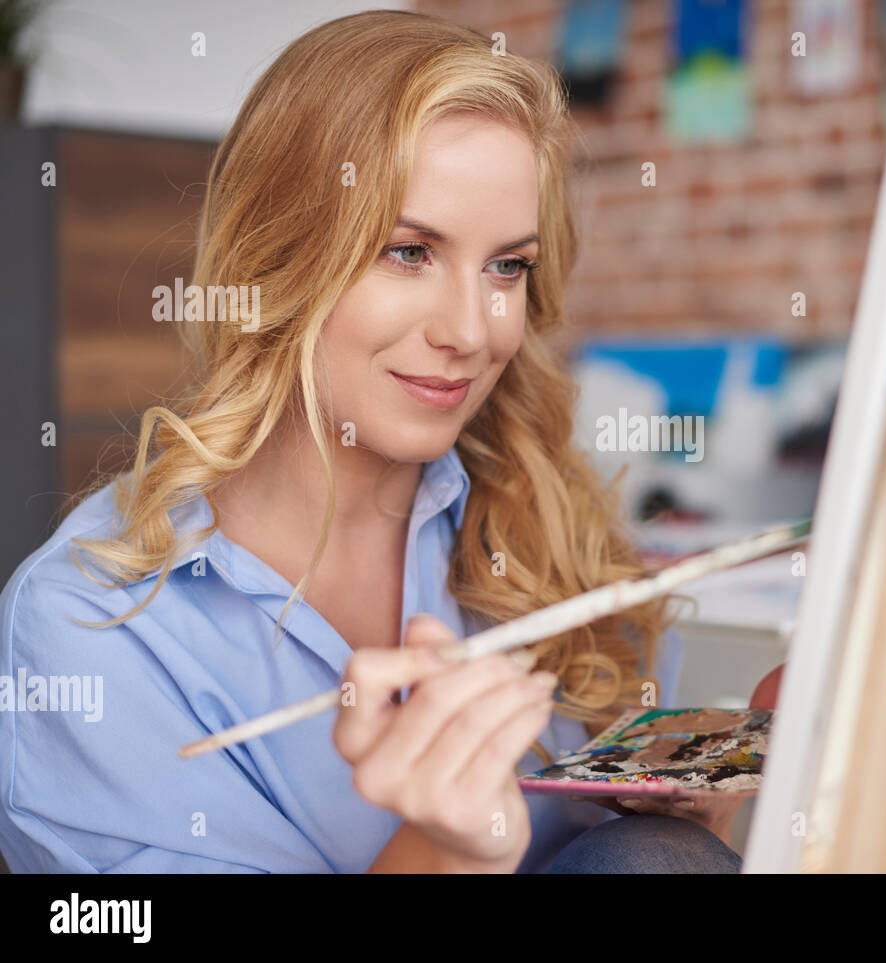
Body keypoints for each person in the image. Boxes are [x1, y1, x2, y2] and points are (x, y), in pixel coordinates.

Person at [0, 10, 741, 874]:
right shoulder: (90, 634)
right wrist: (443, 850)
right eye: (407, 251)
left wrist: (704, 811)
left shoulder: (547, 533)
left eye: (508, 266)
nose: (470, 330)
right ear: (275, 253)